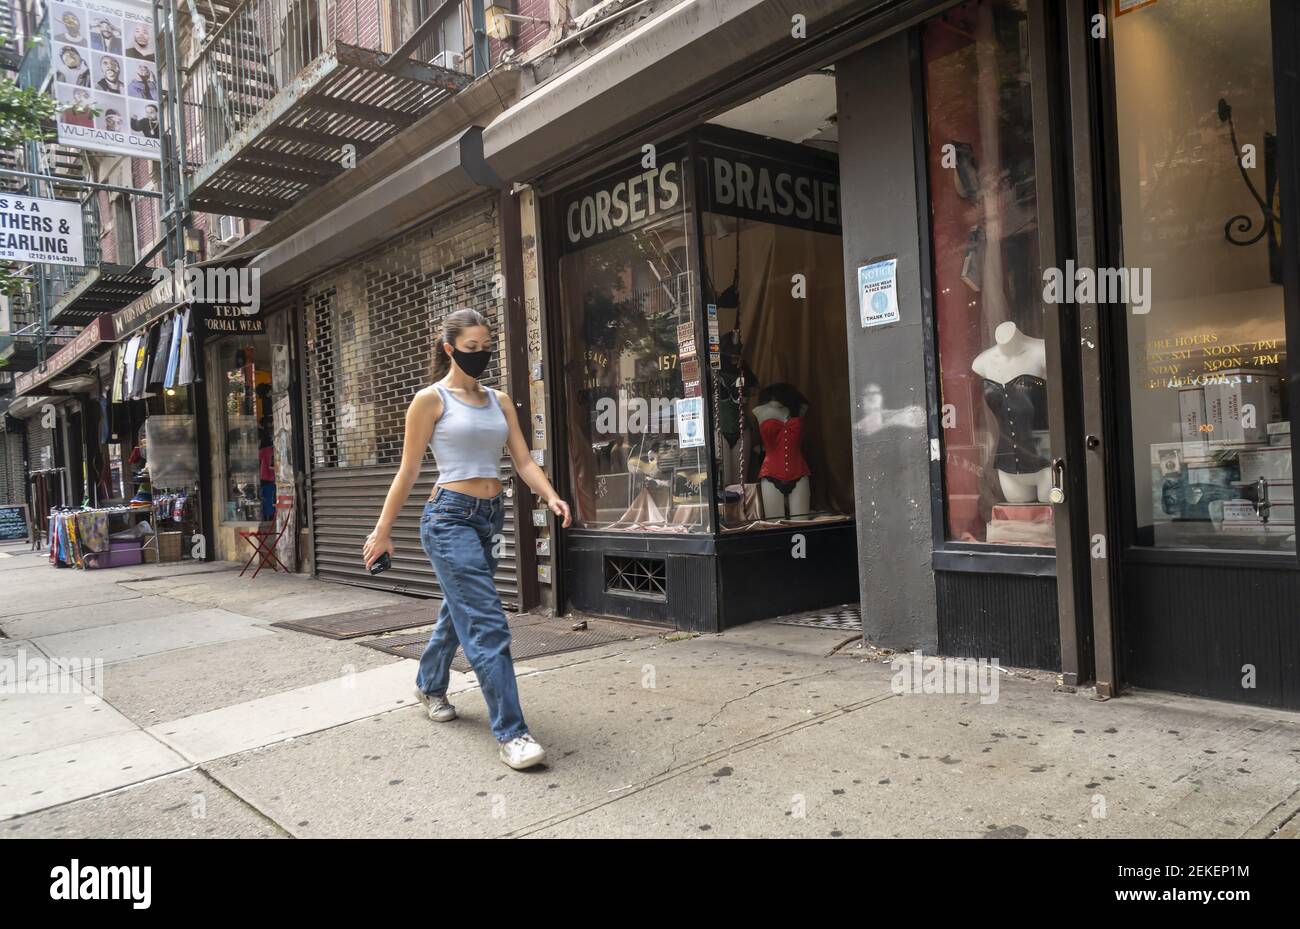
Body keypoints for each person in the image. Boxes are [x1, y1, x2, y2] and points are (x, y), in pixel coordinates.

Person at [363, 308, 572, 771]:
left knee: (459, 610)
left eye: (486, 347)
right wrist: (382, 531)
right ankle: (512, 733)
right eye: (471, 348)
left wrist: (551, 496)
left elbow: (522, 461)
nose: (481, 355)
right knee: (487, 622)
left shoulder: (500, 401)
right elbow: (409, 470)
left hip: (488, 517)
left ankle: (428, 683)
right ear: (449, 349)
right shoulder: (430, 400)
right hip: (448, 518)